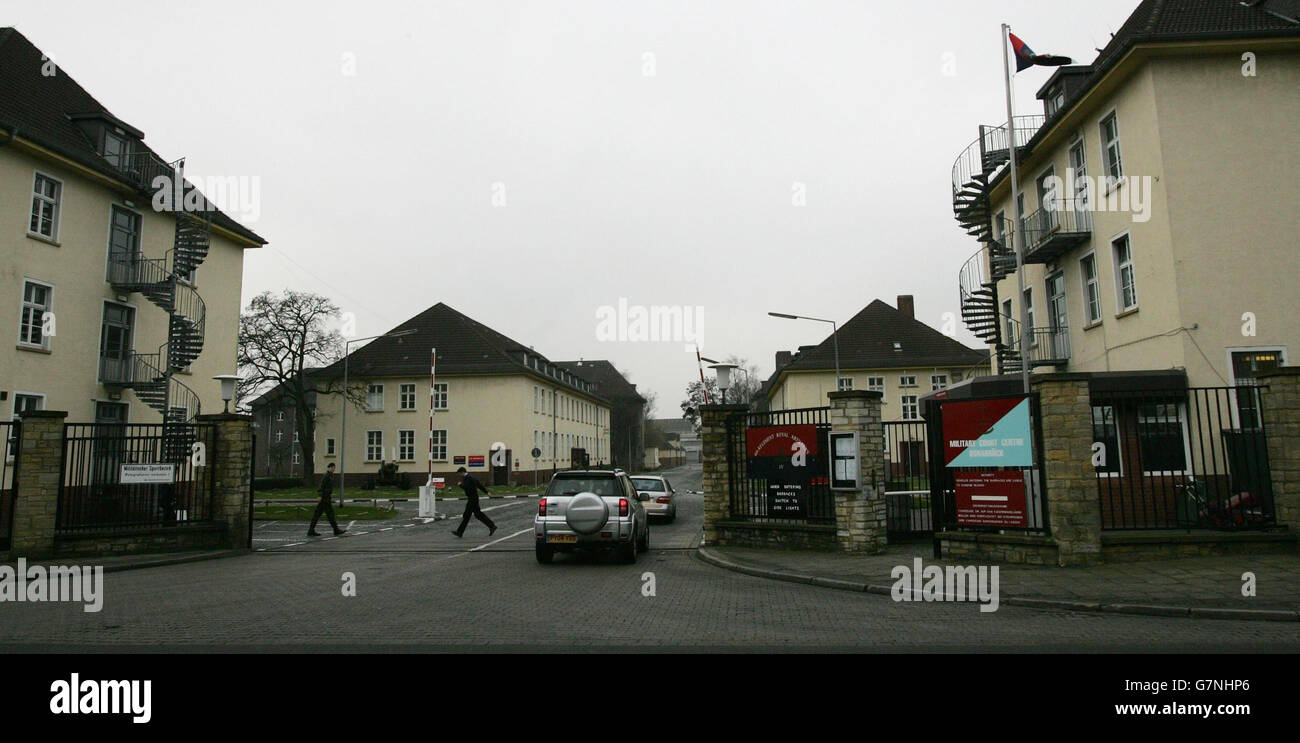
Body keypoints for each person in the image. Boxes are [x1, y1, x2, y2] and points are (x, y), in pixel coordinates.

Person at [451, 466, 496, 537]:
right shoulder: (471, 477)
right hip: (473, 498)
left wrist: (460, 485)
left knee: (467, 515)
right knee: (477, 514)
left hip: (472, 499)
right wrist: (486, 492)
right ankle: (492, 526)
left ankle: (460, 532)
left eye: (459, 473)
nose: (459, 475)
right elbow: (479, 485)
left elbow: (467, 487)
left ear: (462, 472)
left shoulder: (468, 478)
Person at [308, 462, 346, 537]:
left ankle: (311, 530)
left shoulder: (330, 476)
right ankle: (336, 530)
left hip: (326, 498)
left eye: (334, 468)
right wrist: (320, 495)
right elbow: (321, 486)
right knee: (328, 514)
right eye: (333, 467)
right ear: (330, 467)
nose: (334, 469)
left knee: (321, 514)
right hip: (325, 499)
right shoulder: (326, 476)